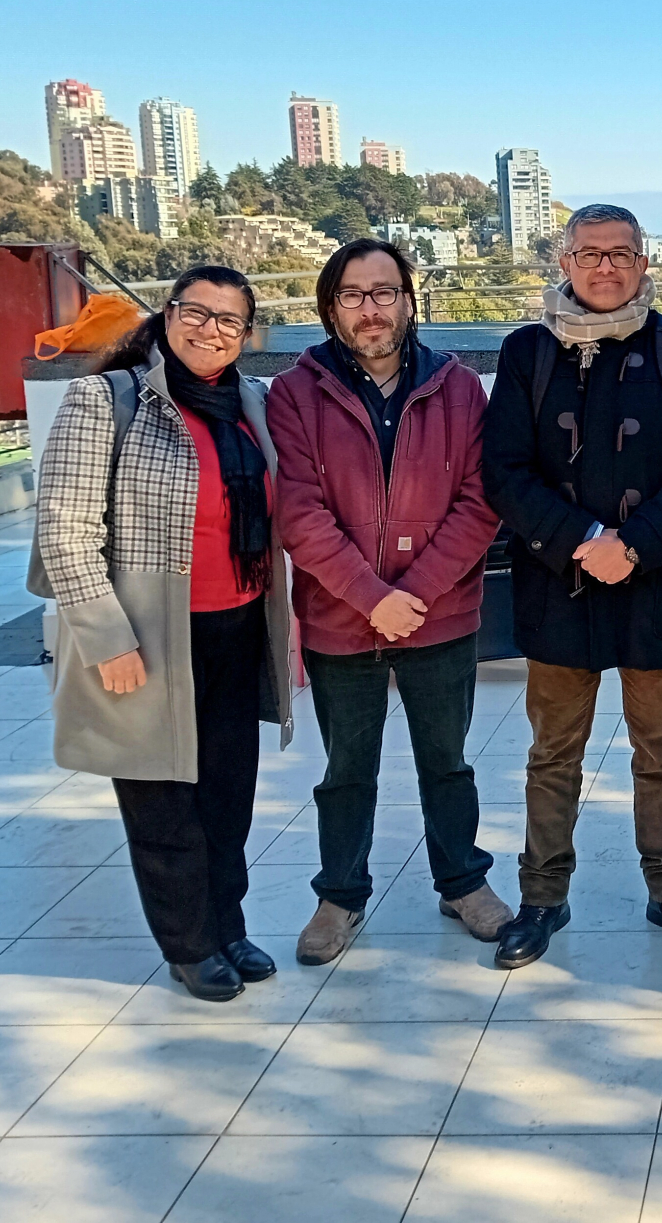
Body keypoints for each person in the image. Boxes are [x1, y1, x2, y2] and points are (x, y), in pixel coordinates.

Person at [31, 266, 294, 1002]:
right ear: (167, 316)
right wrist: (105, 637)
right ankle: (189, 943)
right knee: (161, 795)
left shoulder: (253, 404)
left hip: (239, 624)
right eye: (196, 312)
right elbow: (65, 529)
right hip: (148, 632)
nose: (210, 330)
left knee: (228, 790)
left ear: (248, 335)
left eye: (230, 321)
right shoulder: (104, 400)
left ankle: (229, 924)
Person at [481, 205, 662, 965]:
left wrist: (636, 544)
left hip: (658, 583)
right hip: (560, 583)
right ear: (564, 259)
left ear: (643, 262)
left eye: (621, 253)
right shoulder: (527, 352)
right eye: (589, 253)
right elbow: (505, 471)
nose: (605, 267)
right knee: (553, 751)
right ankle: (541, 897)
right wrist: (584, 541)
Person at [267, 238, 507, 966]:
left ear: (409, 300)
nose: (371, 309)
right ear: (330, 307)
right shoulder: (294, 394)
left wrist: (415, 594)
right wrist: (374, 598)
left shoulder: (460, 389)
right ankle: (339, 896)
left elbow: (480, 502)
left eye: (384, 292)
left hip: (440, 615)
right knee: (346, 769)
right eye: (353, 295)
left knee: (449, 761)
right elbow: (299, 514)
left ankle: (462, 881)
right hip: (343, 618)